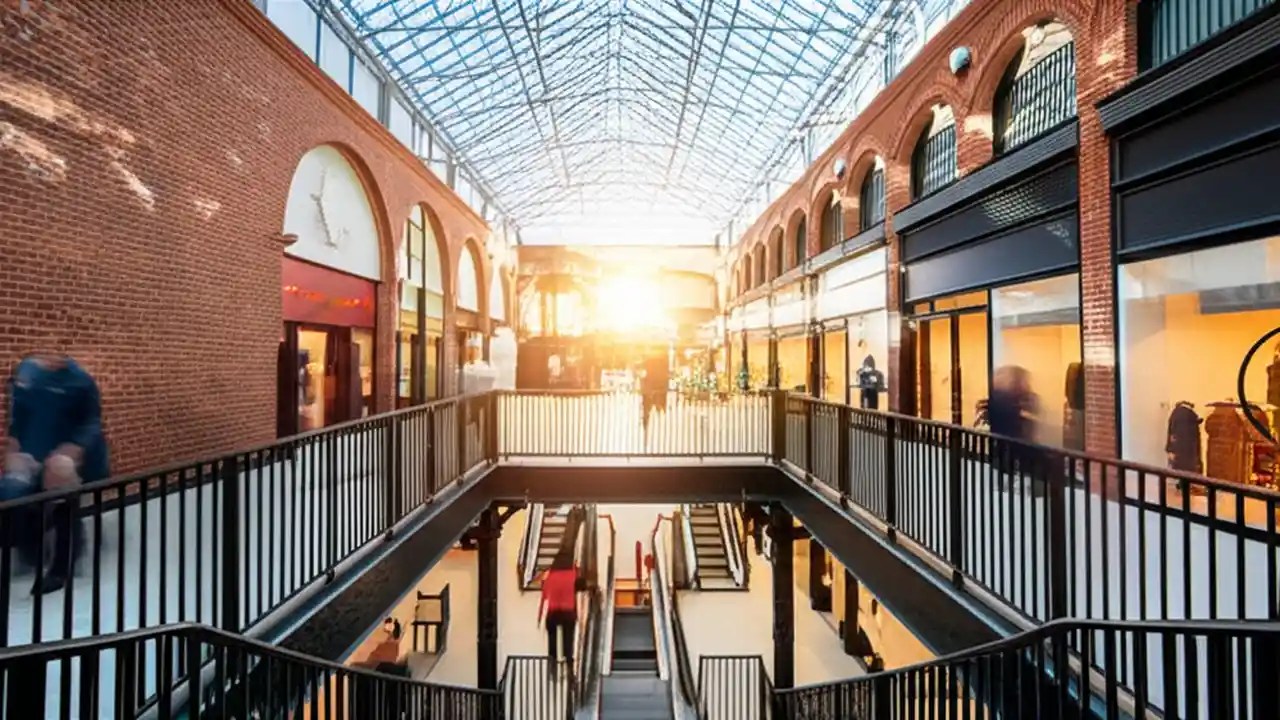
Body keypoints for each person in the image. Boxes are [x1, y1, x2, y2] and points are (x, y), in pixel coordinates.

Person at [3, 353, 109, 594]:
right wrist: (14, 444)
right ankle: (29, 547)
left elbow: (91, 423)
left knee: (62, 500)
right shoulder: (28, 372)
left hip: (67, 454)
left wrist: (72, 452)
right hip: (34, 451)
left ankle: (61, 569)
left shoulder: (80, 381)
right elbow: (18, 415)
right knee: (17, 494)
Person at [537, 547, 579, 676]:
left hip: (553, 613)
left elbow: (544, 597)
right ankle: (569, 665)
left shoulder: (550, 576)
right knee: (568, 639)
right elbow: (581, 586)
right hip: (568, 612)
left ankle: (552, 666)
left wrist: (539, 618)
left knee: (552, 640)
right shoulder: (573, 575)